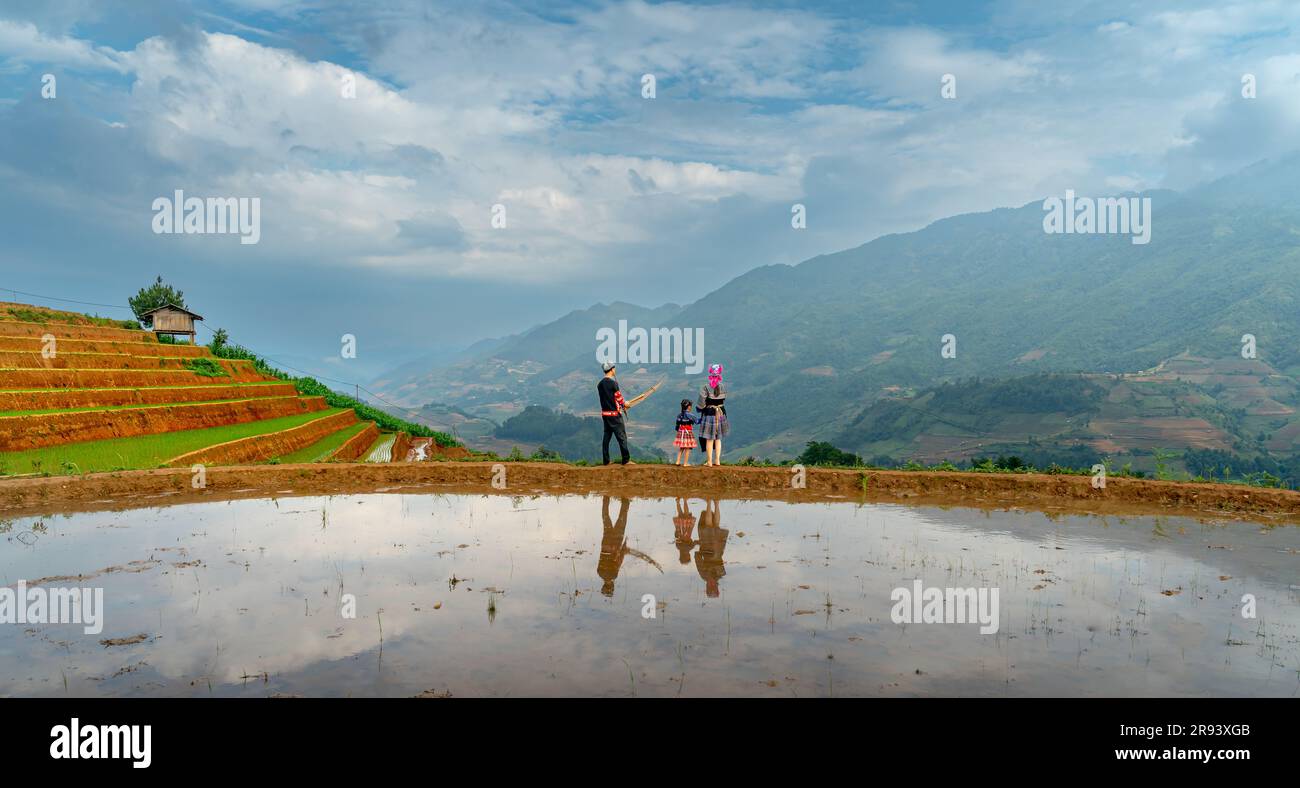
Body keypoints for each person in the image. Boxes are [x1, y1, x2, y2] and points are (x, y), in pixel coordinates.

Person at [597, 361, 631, 466]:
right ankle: (626, 460)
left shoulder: (600, 384)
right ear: (612, 369)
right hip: (615, 416)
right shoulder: (613, 383)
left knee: (606, 437)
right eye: (614, 368)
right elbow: (619, 399)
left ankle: (606, 461)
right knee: (622, 437)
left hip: (605, 415)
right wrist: (625, 404)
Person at [696, 363, 729, 467]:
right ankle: (717, 460)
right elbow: (724, 398)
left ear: (710, 374)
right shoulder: (723, 387)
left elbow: (701, 402)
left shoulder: (705, 387)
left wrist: (700, 408)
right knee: (718, 438)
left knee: (709, 439)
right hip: (721, 413)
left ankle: (709, 461)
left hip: (709, 413)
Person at [596, 495, 630, 597]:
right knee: (606, 519)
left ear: (611, 586)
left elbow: (619, 560)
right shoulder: (599, 572)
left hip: (615, 544)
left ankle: (625, 500)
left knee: (622, 520)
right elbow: (601, 558)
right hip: (605, 544)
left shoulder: (613, 575)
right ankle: (606, 498)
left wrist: (624, 548)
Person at [694, 499, 729, 598]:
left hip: (714, 548)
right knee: (713, 526)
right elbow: (698, 558)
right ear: (716, 586)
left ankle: (712, 502)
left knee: (711, 526)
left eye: (710, 587)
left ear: (707, 586)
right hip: (713, 548)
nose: (711, 584)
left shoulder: (709, 575)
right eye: (713, 586)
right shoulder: (718, 574)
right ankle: (713, 502)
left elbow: (698, 559)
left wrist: (699, 553)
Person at [673, 399, 699, 466]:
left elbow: (677, 426)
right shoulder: (690, 415)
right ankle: (685, 463)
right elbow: (697, 421)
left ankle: (678, 461)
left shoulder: (679, 415)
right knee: (688, 448)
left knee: (681, 448)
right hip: (687, 432)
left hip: (681, 432)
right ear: (689, 407)